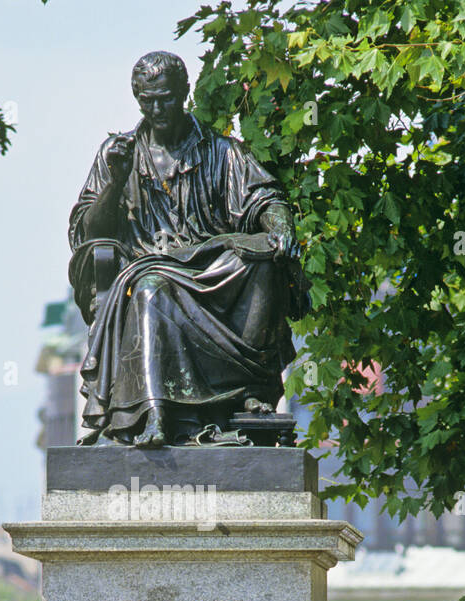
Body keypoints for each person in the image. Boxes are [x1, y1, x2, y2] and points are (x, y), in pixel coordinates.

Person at [69, 50, 303, 447]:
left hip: (211, 264)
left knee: (263, 262)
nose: (158, 108)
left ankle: (250, 391)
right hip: (149, 266)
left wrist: (280, 228)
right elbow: (88, 232)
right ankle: (154, 414)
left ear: (185, 92)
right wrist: (116, 181)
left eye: (167, 98)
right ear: (137, 98)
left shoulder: (222, 152)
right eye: (148, 100)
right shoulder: (118, 154)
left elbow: (265, 197)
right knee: (149, 290)